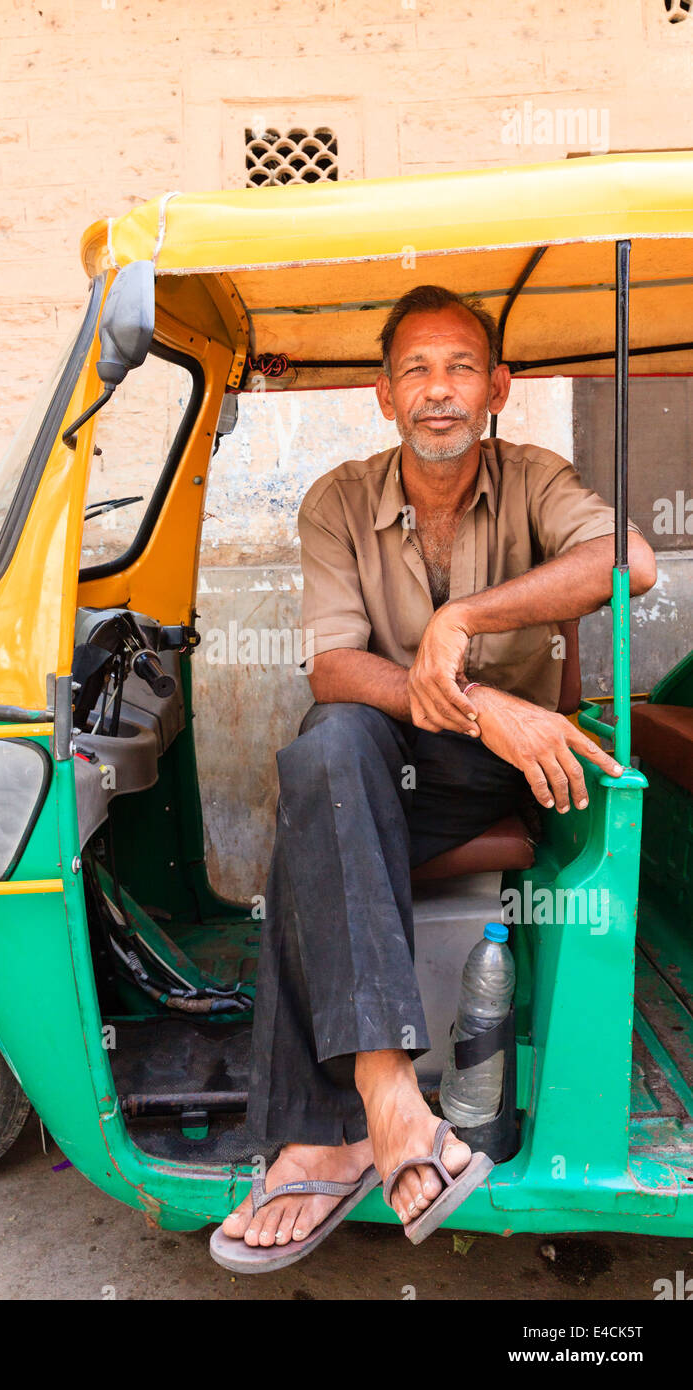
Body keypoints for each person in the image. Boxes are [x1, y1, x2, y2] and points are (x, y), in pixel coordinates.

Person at [210, 285, 657, 1271]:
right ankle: (389, 1098)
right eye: (414, 369)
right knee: (327, 747)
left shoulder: (536, 476)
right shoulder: (335, 498)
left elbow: (626, 559)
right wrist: (476, 699)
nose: (438, 390)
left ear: (496, 386)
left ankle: (325, 1132)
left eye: (459, 367)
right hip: (380, 750)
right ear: (383, 396)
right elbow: (333, 666)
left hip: (502, 769)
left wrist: (463, 626)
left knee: (311, 821)